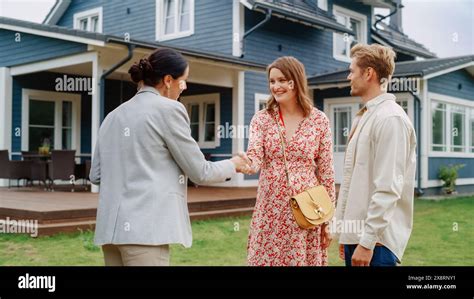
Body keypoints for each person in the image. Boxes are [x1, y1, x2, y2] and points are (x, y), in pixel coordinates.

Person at [89, 48, 251, 266]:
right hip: (146, 234)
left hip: (111, 233)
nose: (184, 87)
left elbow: (96, 175)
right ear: (167, 80)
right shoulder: (169, 110)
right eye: (183, 81)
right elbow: (200, 172)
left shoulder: (112, 116)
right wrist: (235, 164)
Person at [245, 56, 336, 266]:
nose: (276, 86)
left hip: (307, 211)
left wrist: (327, 221)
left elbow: (327, 174)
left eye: (282, 80)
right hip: (271, 211)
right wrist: (246, 164)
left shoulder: (319, 120)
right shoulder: (262, 119)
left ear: (295, 81)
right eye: (272, 81)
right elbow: (255, 157)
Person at [335, 43, 417, 267]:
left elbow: (388, 188)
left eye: (352, 70)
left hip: (377, 246)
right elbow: (354, 183)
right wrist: (346, 233)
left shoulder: (390, 119)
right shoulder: (364, 117)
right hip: (359, 239)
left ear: (369, 73)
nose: (349, 76)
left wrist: (367, 243)